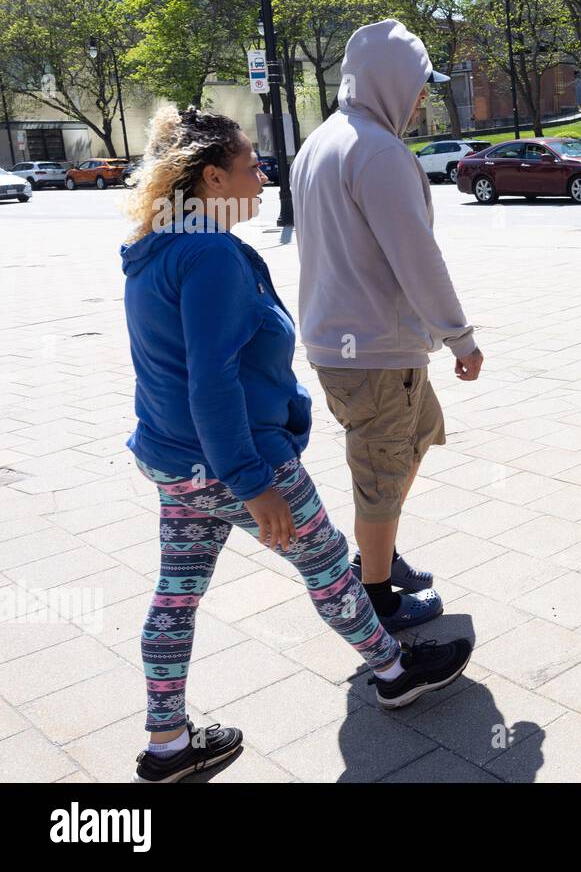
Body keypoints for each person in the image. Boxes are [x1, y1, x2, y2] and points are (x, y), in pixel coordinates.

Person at [121, 106, 472, 782]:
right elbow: (211, 380)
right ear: (214, 177)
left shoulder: (159, 244)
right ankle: (396, 673)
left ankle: (167, 743)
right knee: (330, 567)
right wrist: (251, 482)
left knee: (175, 594)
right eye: (252, 164)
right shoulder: (210, 255)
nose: (263, 173)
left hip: (174, 460)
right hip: (235, 457)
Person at [291, 20, 483, 633]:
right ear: (392, 82)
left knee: (419, 430)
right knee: (380, 470)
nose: (423, 96)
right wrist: (461, 336)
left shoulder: (323, 140)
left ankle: (379, 550)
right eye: (420, 85)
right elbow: (417, 256)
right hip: (373, 349)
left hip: (346, 339)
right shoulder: (377, 151)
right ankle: (375, 598)